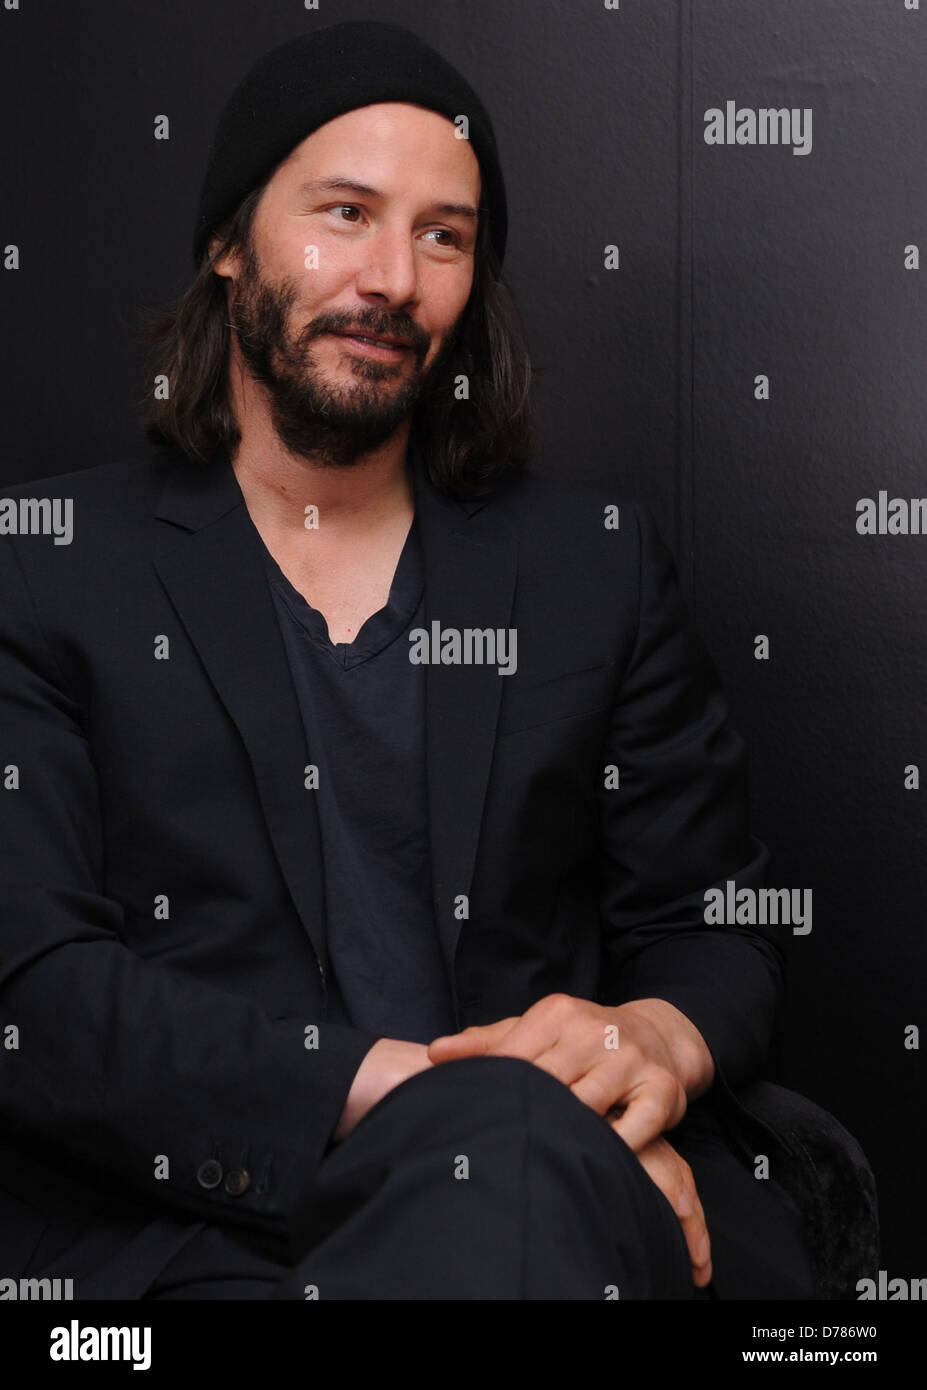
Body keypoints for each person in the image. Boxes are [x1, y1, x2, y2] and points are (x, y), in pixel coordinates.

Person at [0, 20, 812, 1300]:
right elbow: (35, 990)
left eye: (444, 235)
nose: (393, 277)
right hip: (193, 1240)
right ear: (228, 244)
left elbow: (716, 924)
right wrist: (475, 1117)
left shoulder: (593, 565)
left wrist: (649, 1037)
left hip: (555, 1201)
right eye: (344, 212)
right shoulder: (44, 565)